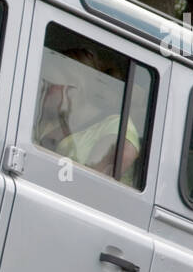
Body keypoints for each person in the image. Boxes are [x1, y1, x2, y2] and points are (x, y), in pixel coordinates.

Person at [37, 47, 140, 180]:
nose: (42, 90)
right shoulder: (52, 123)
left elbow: (91, 184)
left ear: (72, 88)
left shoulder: (117, 127)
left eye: (49, 84)